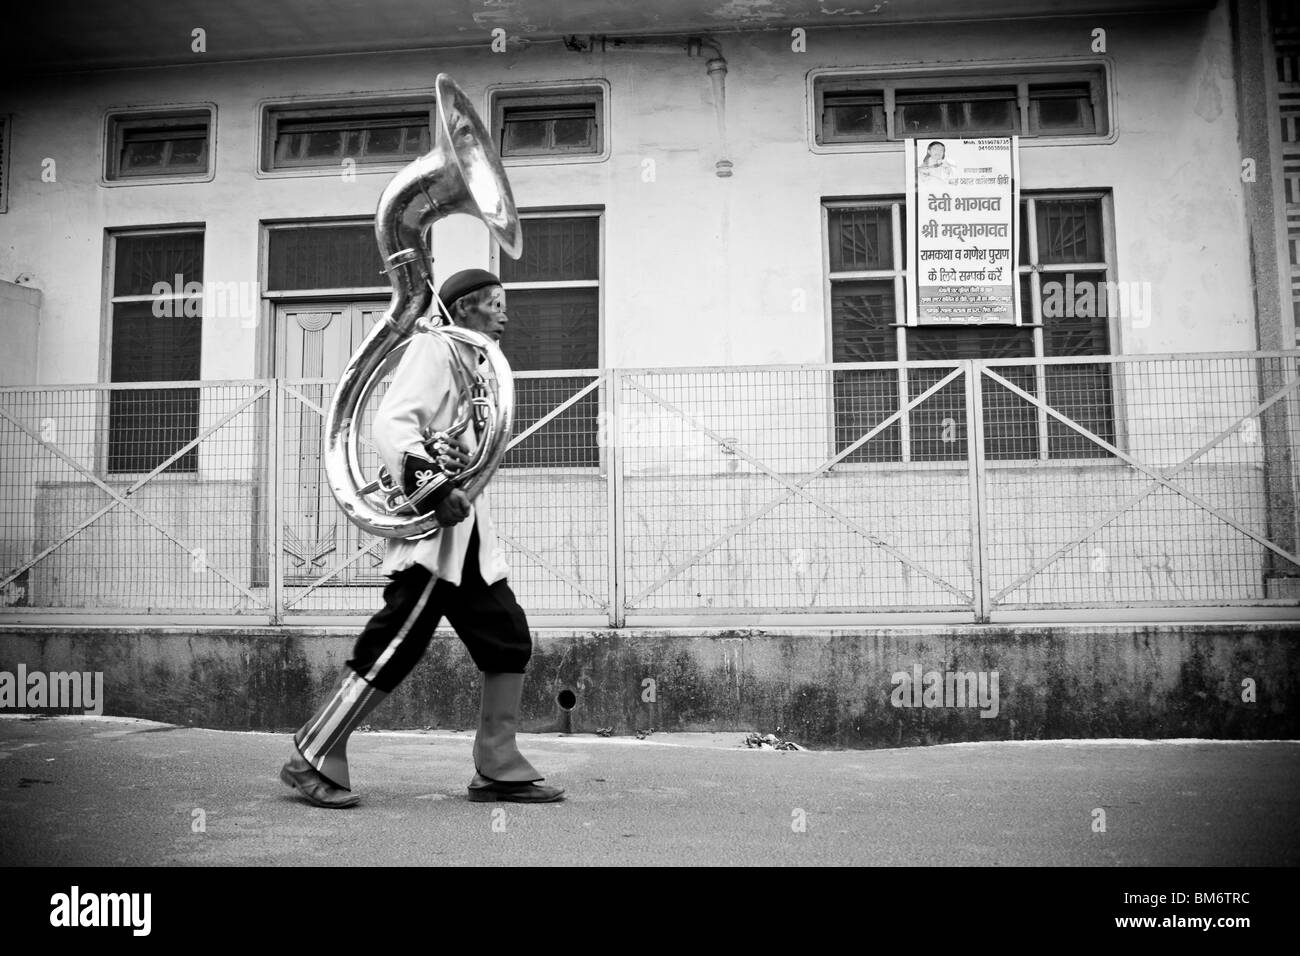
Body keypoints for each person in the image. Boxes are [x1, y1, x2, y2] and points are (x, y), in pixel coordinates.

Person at [279, 268, 565, 808]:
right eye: (493, 304)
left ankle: (498, 764)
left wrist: (455, 456)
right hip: (435, 537)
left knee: (507, 635)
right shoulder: (436, 348)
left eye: (504, 304)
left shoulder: (471, 366)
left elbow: (455, 442)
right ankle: (311, 754)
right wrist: (435, 489)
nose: (505, 314)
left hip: (468, 539)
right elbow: (392, 424)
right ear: (462, 310)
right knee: (395, 646)